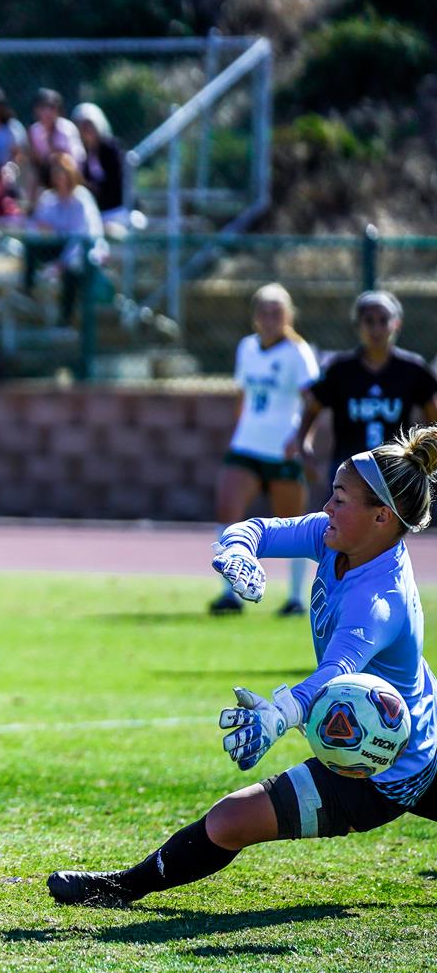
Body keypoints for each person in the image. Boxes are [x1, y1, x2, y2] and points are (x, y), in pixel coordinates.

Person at [48, 429, 437, 908]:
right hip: (415, 730)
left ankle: (118, 890)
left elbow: (334, 676)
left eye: (338, 498)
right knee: (229, 821)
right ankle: (117, 890)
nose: (327, 508)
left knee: (229, 821)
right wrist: (236, 551)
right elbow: (257, 528)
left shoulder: (377, 599)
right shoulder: (338, 539)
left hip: (381, 771)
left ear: (381, 516)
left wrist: (276, 716)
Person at [211, 284, 319, 617]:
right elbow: (242, 395)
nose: (270, 318)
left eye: (277, 312)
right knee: (227, 510)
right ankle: (230, 593)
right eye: (264, 311)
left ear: (288, 315)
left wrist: (305, 440)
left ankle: (296, 598)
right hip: (247, 444)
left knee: (291, 525)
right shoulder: (247, 347)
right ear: (255, 316)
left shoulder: (297, 352)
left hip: (282, 448)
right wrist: (238, 429)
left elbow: (313, 401)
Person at [292, 291, 437, 496]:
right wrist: (304, 447)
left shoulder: (413, 369)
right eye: (368, 321)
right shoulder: (340, 369)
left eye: (383, 320)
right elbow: (311, 409)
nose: (376, 328)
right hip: (348, 468)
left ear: (396, 324)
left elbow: (433, 417)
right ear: (358, 326)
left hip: (395, 469)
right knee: (341, 524)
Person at [24, 152, 106, 325]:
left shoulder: (81, 199)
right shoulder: (49, 198)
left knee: (72, 270)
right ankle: (28, 290)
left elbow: (83, 236)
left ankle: (66, 319)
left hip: (84, 251)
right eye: (55, 173)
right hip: (60, 248)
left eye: (62, 172)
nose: (58, 177)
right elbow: (36, 227)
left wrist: (62, 263)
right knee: (31, 247)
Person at [70, 103, 127, 222]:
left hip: (115, 208)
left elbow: (116, 181)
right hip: (92, 209)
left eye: (89, 125)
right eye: (82, 126)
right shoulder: (79, 151)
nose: (86, 130)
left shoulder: (111, 149)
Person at [26, 89, 84, 199]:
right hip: (45, 175)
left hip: (69, 175)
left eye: (51, 108)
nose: (47, 112)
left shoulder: (67, 129)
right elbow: (37, 161)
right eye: (43, 107)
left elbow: (75, 161)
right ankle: (31, 206)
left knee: (59, 165)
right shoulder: (34, 131)